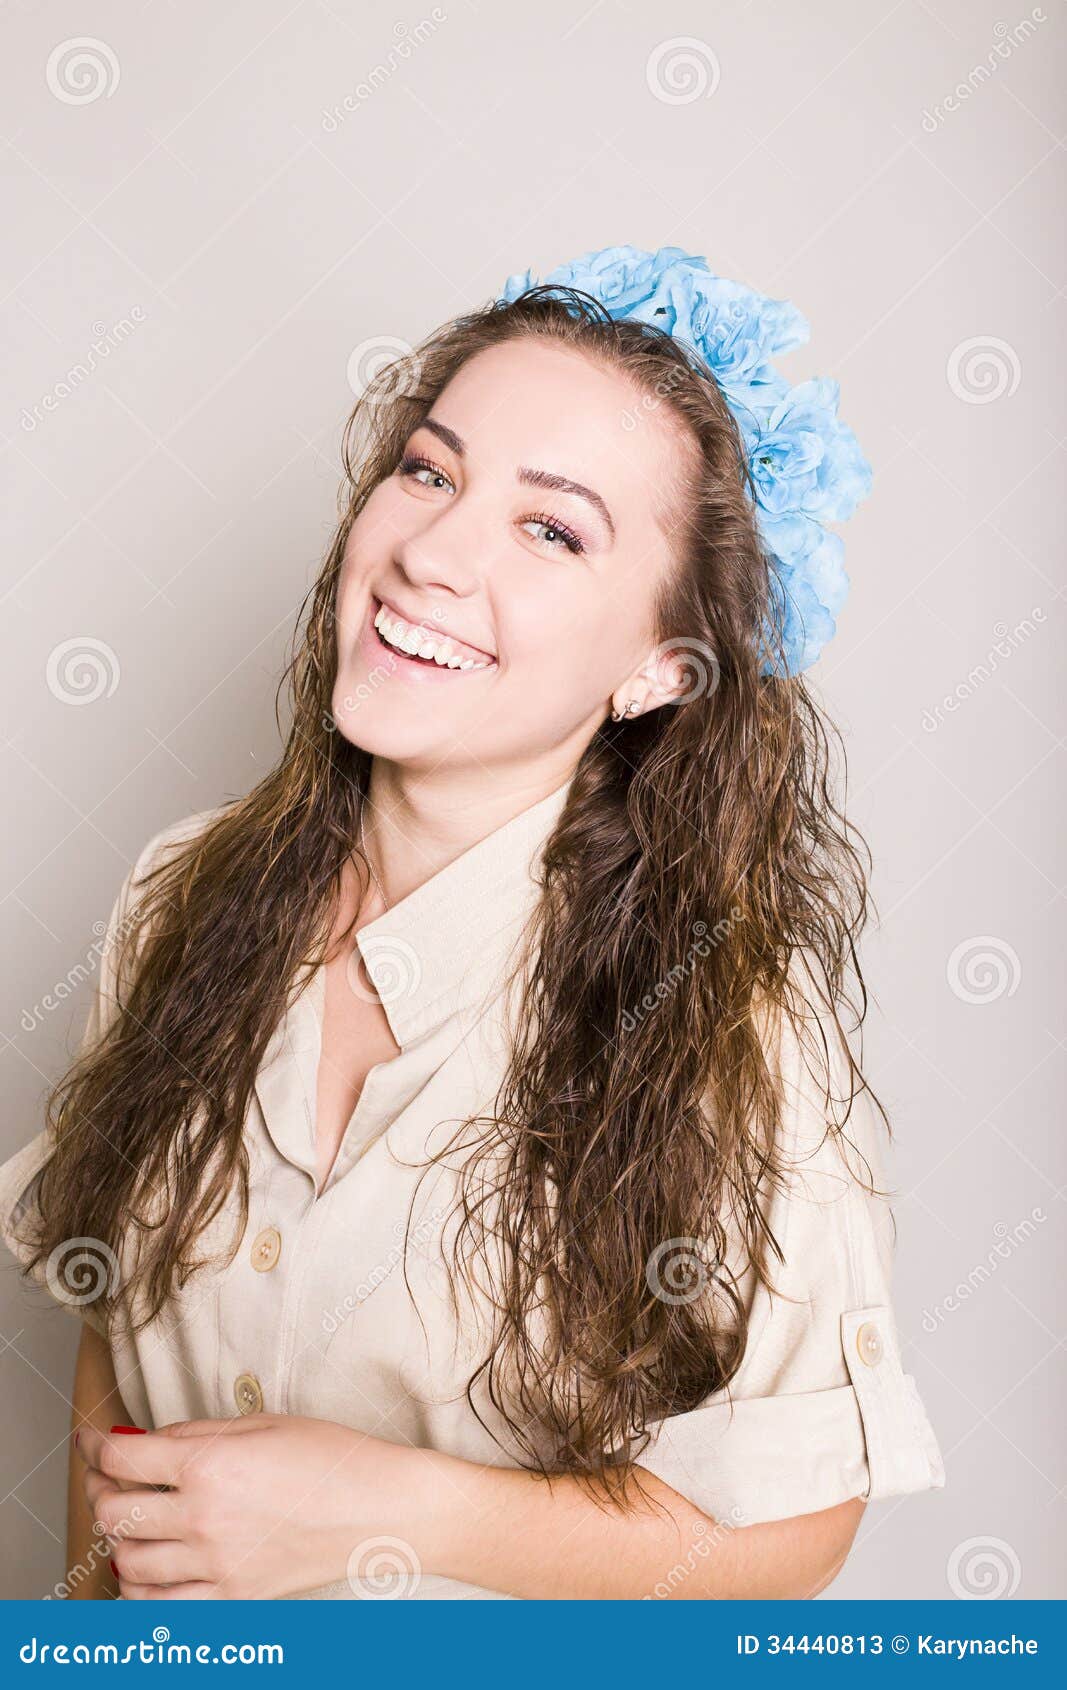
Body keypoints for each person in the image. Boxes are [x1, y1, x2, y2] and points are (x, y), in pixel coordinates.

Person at [0, 247, 944, 1601]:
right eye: (430, 471)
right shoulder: (176, 896)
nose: (430, 552)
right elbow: (116, 1326)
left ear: (658, 670)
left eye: (551, 528)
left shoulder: (728, 1016)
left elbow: (799, 1529)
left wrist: (398, 1514)